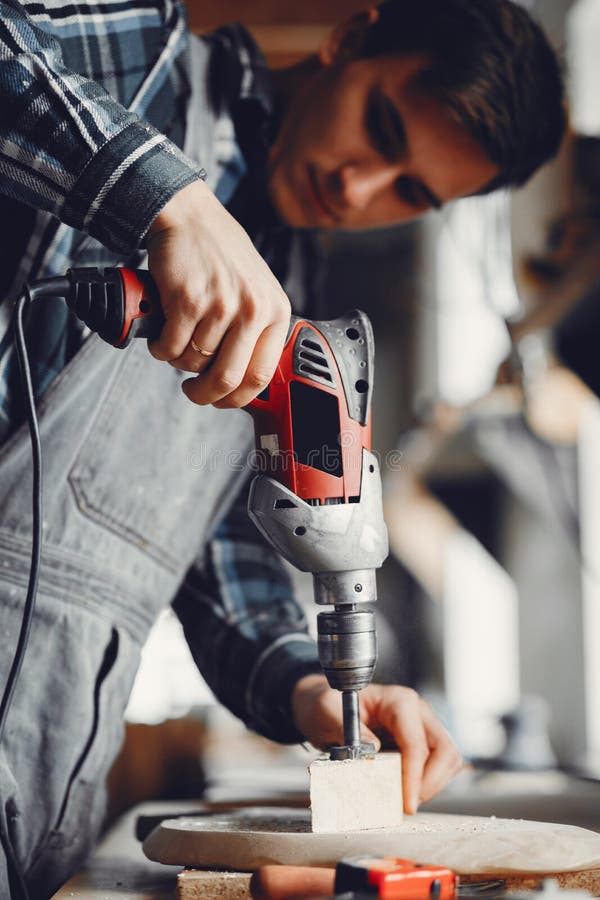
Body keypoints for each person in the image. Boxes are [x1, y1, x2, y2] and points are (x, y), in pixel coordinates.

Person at [0, 0, 565, 896]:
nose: (360, 189)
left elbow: (213, 538)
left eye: (411, 193)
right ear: (349, 39)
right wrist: (164, 195)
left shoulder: (294, 297)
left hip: (37, 780)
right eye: (381, 128)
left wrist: (309, 686)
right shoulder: (143, 55)